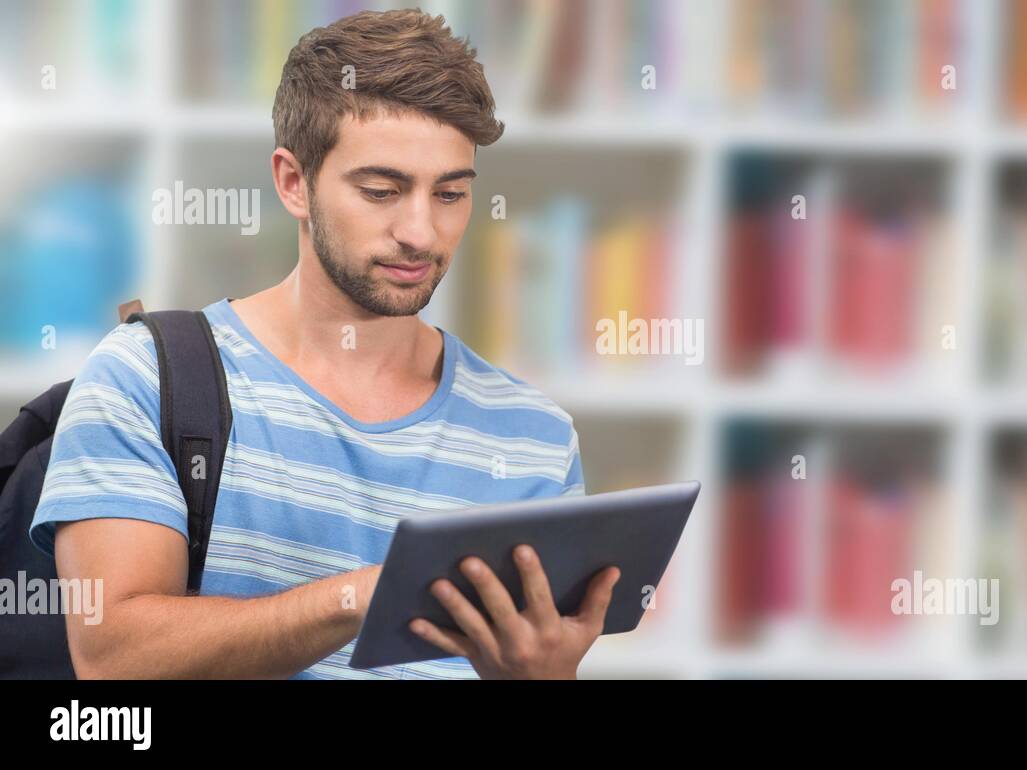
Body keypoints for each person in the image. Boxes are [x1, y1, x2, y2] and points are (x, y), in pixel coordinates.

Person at [29, 9, 618, 680]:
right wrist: (364, 596)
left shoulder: (534, 438)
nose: (422, 232)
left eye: (450, 193)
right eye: (382, 190)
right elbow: (114, 659)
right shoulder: (146, 379)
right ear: (292, 182)